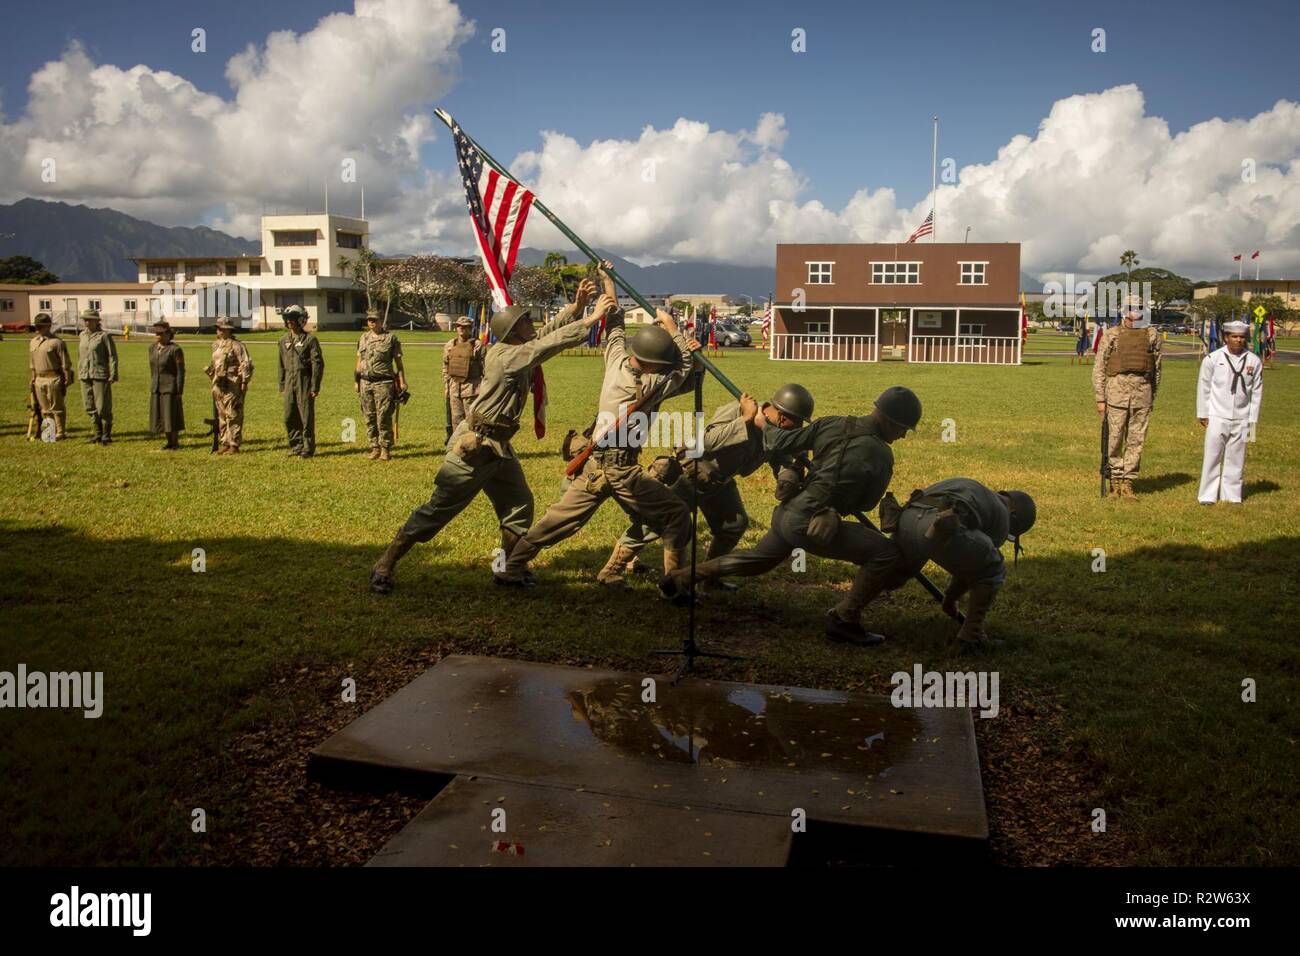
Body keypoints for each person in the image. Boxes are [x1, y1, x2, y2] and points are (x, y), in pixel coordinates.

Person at [369, 278, 606, 594]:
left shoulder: (515, 349)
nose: (529, 322)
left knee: (518, 505)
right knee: (437, 511)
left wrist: (576, 308)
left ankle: (506, 569)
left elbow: (544, 337)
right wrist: (589, 320)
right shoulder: (505, 357)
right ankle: (385, 564)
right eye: (524, 320)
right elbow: (544, 345)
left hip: (499, 448)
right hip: (476, 447)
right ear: (512, 330)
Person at [661, 386, 920, 648]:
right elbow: (866, 503)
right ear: (888, 420)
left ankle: (680, 577)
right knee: (885, 553)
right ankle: (845, 618)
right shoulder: (882, 455)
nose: (901, 436)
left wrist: (762, 423)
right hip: (811, 525)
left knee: (756, 562)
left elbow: (783, 442)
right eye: (903, 429)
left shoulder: (833, 423)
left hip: (788, 513)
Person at [495, 269, 703, 587]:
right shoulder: (652, 383)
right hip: (622, 468)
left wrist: (608, 286)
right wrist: (674, 329)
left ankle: (513, 567)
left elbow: (615, 325)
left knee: (557, 523)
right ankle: (673, 586)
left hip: (594, 464)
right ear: (654, 364)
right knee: (675, 514)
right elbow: (685, 366)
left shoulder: (617, 359)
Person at [598, 383, 815, 588]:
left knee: (734, 525)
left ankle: (708, 575)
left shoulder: (778, 433)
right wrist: (746, 420)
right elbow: (706, 442)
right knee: (654, 524)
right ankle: (610, 571)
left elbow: (783, 461)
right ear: (783, 417)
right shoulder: (738, 411)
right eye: (797, 422)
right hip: (689, 475)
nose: (798, 428)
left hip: (720, 483)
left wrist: (791, 475)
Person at [878, 479, 1036, 646]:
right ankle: (972, 634)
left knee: (892, 572)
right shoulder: (1002, 515)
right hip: (941, 526)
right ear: (1013, 513)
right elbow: (972, 566)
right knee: (993, 569)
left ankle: (850, 613)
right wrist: (951, 598)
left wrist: (950, 598)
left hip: (906, 520)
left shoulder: (969, 486)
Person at [1093, 310, 1161, 499]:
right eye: (1132, 315)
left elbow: (1157, 367)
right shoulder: (1112, 334)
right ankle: (1115, 480)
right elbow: (1100, 367)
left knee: (1136, 440)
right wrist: (1100, 398)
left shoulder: (1152, 335)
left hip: (1142, 393)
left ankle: (1128, 481)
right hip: (1116, 393)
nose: (1136, 319)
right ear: (1124, 314)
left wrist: (1152, 395)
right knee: (1114, 439)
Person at [1197, 318, 1263, 505]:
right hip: (1217, 415)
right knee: (1212, 455)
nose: (1238, 340)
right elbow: (1204, 387)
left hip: (1243, 418)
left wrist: (1252, 420)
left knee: (1237, 457)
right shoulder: (1213, 359)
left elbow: (1256, 392)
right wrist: (1203, 413)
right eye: (1234, 336)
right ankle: (1207, 495)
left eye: (1242, 337)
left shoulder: (1254, 361)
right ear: (1226, 337)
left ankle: (1232, 495)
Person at [355, 309, 406, 460]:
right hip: (365, 382)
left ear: (381, 321)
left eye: (374, 320)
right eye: (369, 319)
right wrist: (356, 381)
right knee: (369, 416)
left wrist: (402, 381)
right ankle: (374, 447)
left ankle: (385, 448)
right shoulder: (363, 338)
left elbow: (399, 363)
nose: (371, 322)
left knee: (383, 416)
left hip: (384, 382)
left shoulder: (390, 339)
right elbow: (359, 362)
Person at [278, 304, 324, 457]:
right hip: (290, 383)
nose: (289, 322)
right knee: (289, 416)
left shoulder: (310, 339)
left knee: (306, 416)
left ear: (300, 320)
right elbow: (281, 364)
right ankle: (296, 445)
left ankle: (307, 448)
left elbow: (317, 364)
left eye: (292, 318)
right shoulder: (283, 340)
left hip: (304, 381)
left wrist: (314, 386)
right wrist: (282, 384)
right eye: (287, 319)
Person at [204, 318, 253, 454]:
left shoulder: (237, 345)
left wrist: (244, 382)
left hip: (233, 383)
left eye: (220, 328)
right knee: (221, 414)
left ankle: (234, 444)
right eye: (217, 328)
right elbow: (215, 363)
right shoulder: (215, 345)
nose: (217, 331)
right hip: (218, 383)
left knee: (233, 414)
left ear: (227, 330)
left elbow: (245, 364)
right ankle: (225, 441)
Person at [28, 312, 73, 441]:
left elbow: (65, 362)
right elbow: (32, 363)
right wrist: (33, 377)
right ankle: (49, 432)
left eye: (40, 326)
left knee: (57, 407)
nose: (37, 329)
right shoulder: (33, 342)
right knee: (45, 409)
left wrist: (67, 377)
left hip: (53, 377)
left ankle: (60, 432)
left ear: (48, 326)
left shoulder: (56, 342)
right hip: (39, 379)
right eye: (36, 326)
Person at [77, 308, 119, 444]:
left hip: (100, 375)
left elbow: (112, 356)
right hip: (85, 375)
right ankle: (97, 433)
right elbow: (80, 356)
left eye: (89, 319)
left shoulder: (104, 336)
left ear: (96, 321)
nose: (86, 322)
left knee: (102, 407)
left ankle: (106, 435)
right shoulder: (82, 336)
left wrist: (113, 374)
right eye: (85, 319)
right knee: (88, 406)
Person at [444, 315, 485, 432]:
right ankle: (458, 446)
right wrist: (446, 386)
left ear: (470, 328)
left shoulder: (477, 345)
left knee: (472, 420)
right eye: (459, 326)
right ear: (456, 328)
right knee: (456, 420)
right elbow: (445, 367)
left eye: (465, 327)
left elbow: (485, 368)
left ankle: (473, 446)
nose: (462, 329)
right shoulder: (449, 345)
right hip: (454, 388)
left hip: (472, 388)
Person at [148, 320, 186, 450]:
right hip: (157, 387)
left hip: (170, 388)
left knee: (171, 417)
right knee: (161, 416)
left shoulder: (175, 350)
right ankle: (168, 442)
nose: (158, 336)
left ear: (168, 334)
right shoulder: (152, 348)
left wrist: (179, 390)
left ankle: (174, 443)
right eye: (156, 334)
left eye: (161, 334)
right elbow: (152, 369)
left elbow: (180, 372)